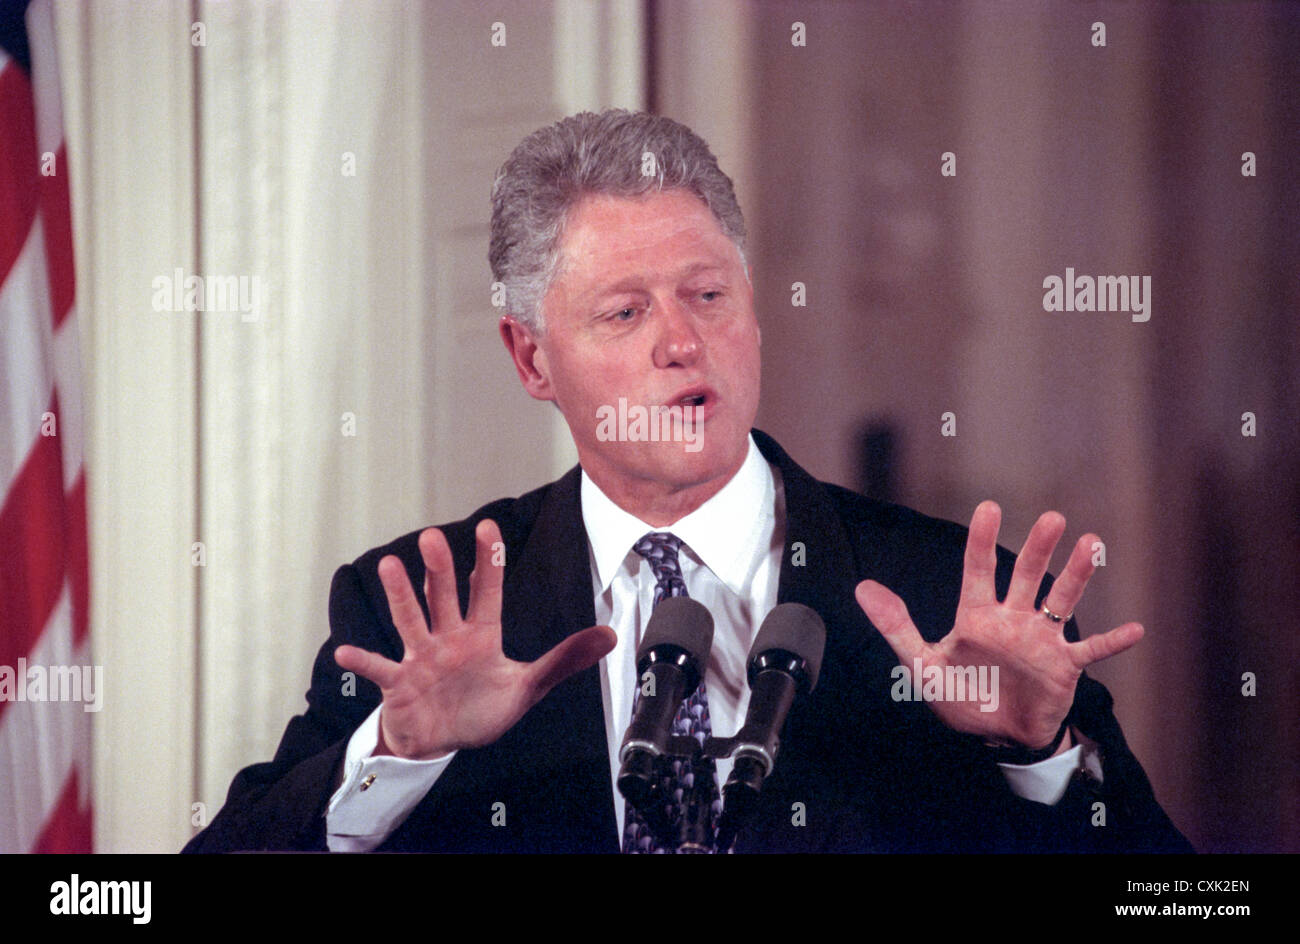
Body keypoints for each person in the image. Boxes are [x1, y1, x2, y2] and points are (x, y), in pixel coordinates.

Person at [184, 110, 1192, 854]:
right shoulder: (420, 606)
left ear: (751, 315)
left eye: (709, 294)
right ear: (531, 358)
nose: (681, 339)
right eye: (623, 313)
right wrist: (398, 754)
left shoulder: (943, 595)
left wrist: (1042, 752)